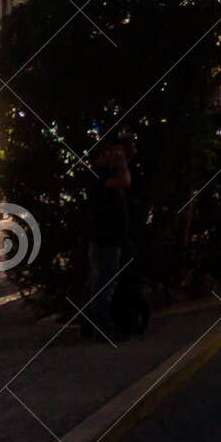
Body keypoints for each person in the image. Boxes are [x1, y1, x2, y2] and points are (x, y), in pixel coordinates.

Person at [81, 146, 130, 341]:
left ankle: (90, 327)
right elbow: (124, 181)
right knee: (104, 284)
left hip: (105, 238)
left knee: (97, 282)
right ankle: (101, 329)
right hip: (105, 240)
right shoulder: (99, 176)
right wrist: (122, 164)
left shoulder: (100, 175)